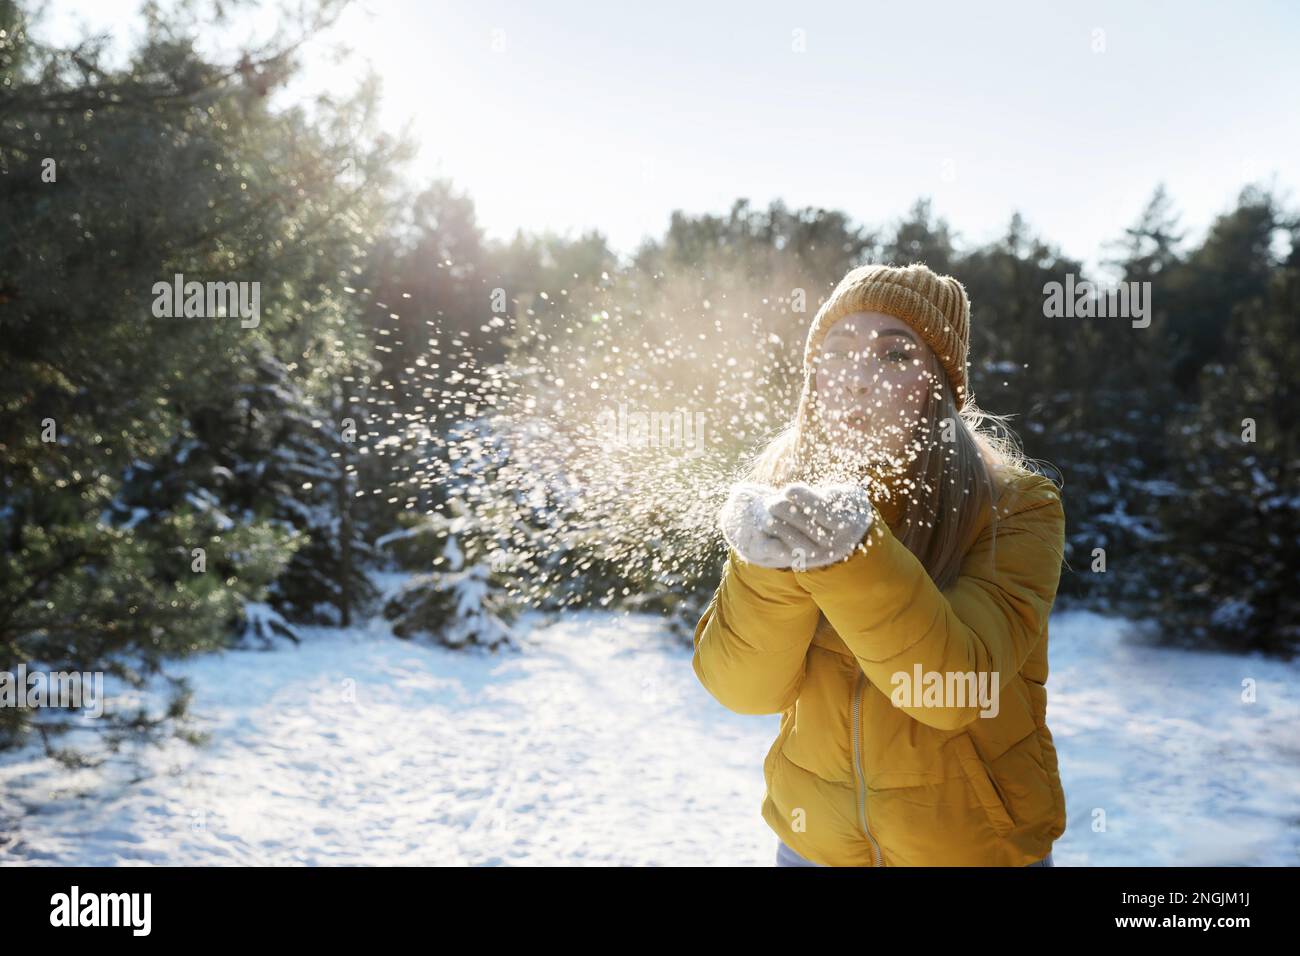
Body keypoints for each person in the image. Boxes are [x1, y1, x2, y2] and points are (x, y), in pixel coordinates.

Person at [693, 262, 1066, 866]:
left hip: (975, 851)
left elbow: (951, 690)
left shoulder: (1017, 507)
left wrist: (852, 555)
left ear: (938, 386)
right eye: (837, 352)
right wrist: (768, 569)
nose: (858, 377)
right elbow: (742, 688)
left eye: (895, 356)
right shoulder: (783, 493)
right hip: (815, 848)